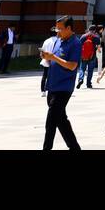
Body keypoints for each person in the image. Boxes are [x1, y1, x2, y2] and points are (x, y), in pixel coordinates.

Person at [39, 15, 82, 150]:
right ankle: (75, 148)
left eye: (60, 29)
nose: (57, 32)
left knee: (50, 121)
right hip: (52, 86)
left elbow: (72, 66)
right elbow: (53, 59)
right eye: (56, 29)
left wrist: (53, 57)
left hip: (63, 88)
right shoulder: (58, 41)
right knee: (61, 121)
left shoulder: (75, 43)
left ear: (69, 28)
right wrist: (47, 57)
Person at [77, 25, 99, 89]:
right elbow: (99, 47)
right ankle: (88, 84)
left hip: (84, 56)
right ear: (94, 30)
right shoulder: (96, 37)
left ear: (89, 29)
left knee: (82, 69)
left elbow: (79, 45)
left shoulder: (83, 36)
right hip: (92, 56)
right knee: (90, 70)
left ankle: (80, 79)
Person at [39, 28, 58, 94]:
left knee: (45, 76)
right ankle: (53, 90)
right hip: (55, 61)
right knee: (55, 76)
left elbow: (42, 51)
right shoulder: (58, 41)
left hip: (46, 60)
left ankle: (43, 91)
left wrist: (45, 58)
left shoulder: (46, 41)